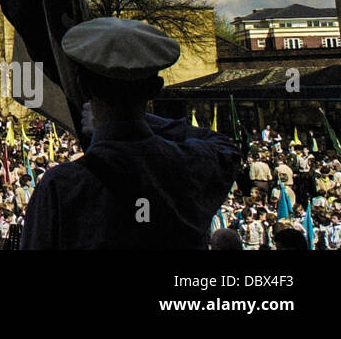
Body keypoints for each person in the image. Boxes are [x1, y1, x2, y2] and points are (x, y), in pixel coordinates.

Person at [21, 18, 240, 250]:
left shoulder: (62, 186)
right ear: (155, 89)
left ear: (83, 86)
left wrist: (108, 121)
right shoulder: (192, 166)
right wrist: (145, 120)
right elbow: (226, 146)